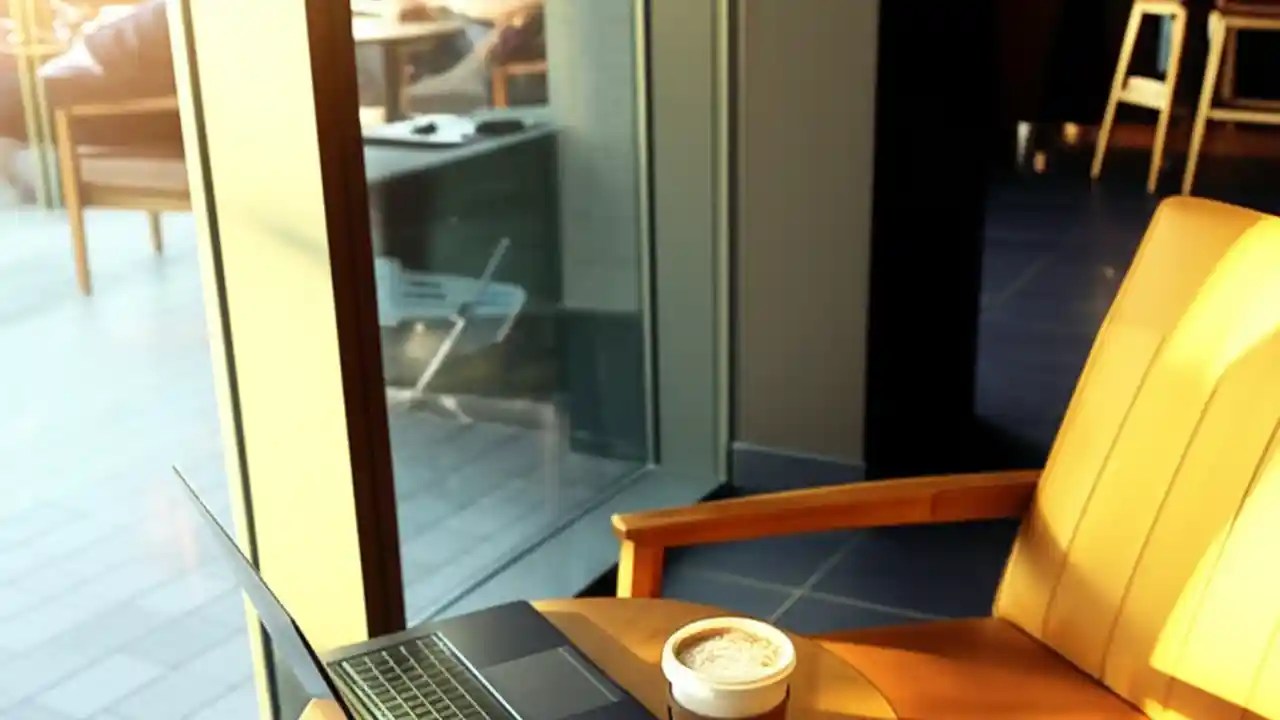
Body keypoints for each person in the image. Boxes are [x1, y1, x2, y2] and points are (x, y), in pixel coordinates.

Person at [0, 0, 175, 198]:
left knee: (9, 96)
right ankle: (18, 163)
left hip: (144, 100)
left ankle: (18, 164)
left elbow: (142, 31)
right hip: (152, 94)